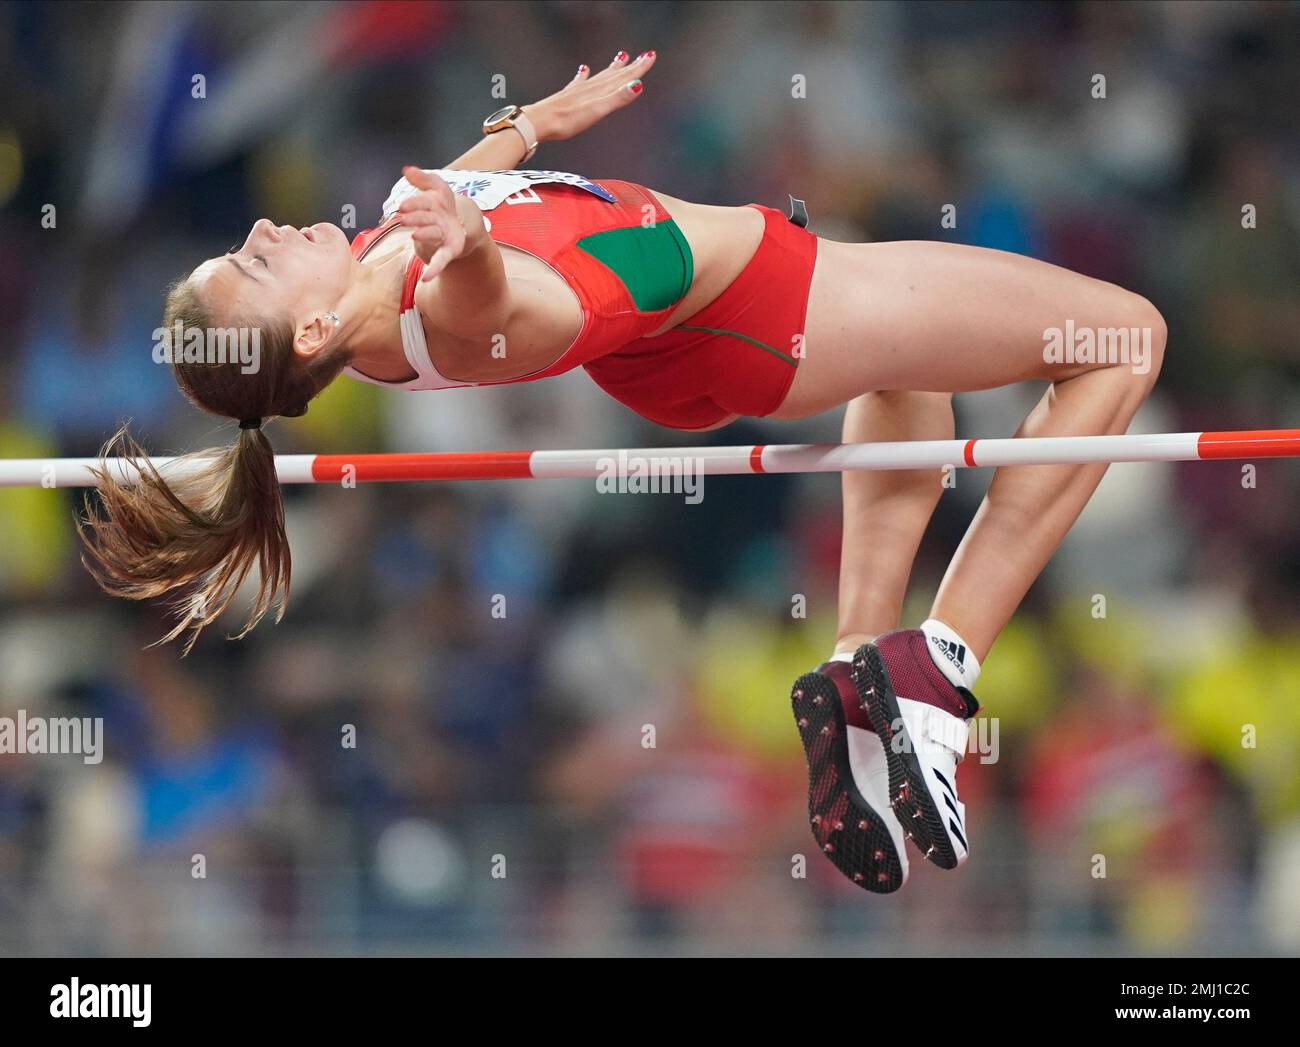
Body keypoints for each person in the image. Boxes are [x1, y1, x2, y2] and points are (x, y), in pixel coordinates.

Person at [79, 50, 1165, 893]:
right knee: (1121, 338)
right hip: (760, 307)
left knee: (907, 392)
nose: (267, 226)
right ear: (306, 327)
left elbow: (449, 207)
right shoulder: (442, 305)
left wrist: (527, 129)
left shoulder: (365, 286)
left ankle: (856, 670)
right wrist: (471, 244)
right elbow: (490, 296)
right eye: (258, 261)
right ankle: (941, 664)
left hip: (682, 354)